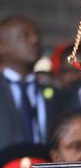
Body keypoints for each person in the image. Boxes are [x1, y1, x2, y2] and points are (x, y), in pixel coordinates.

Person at [0, 16, 74, 149]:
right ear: (2, 46)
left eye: (37, 35)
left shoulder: (55, 92)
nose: (35, 40)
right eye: (24, 36)